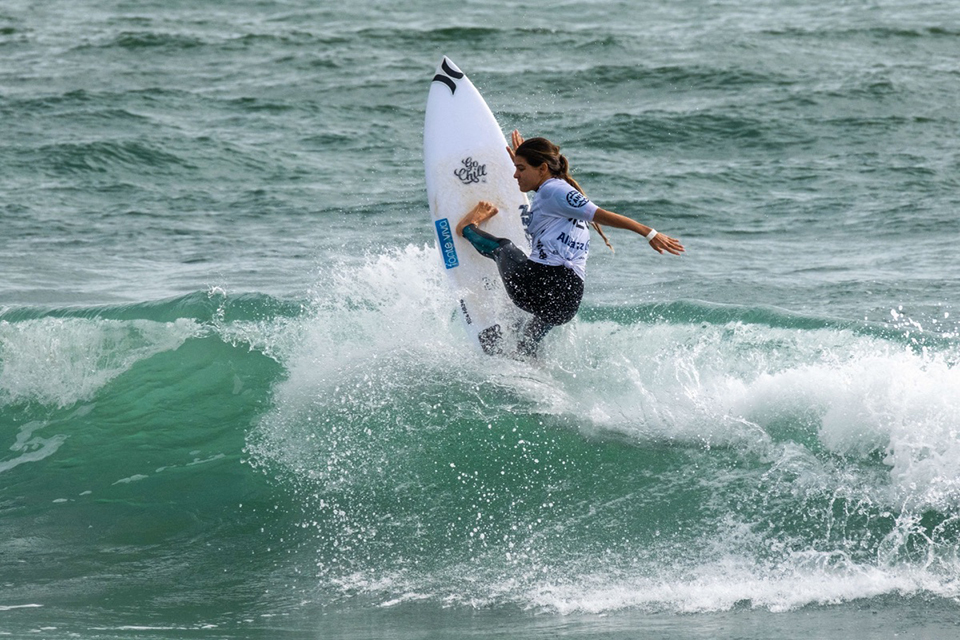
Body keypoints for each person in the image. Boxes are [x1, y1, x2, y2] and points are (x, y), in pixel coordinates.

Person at [456, 130, 684, 357]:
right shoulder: (560, 188)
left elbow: (601, 214)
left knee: (504, 247)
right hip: (567, 303)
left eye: (521, 169)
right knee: (528, 338)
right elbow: (553, 186)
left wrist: (649, 233)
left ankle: (468, 227)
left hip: (538, 287)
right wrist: (526, 162)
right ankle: (527, 358)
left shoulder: (554, 191)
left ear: (543, 168)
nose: (515, 175)